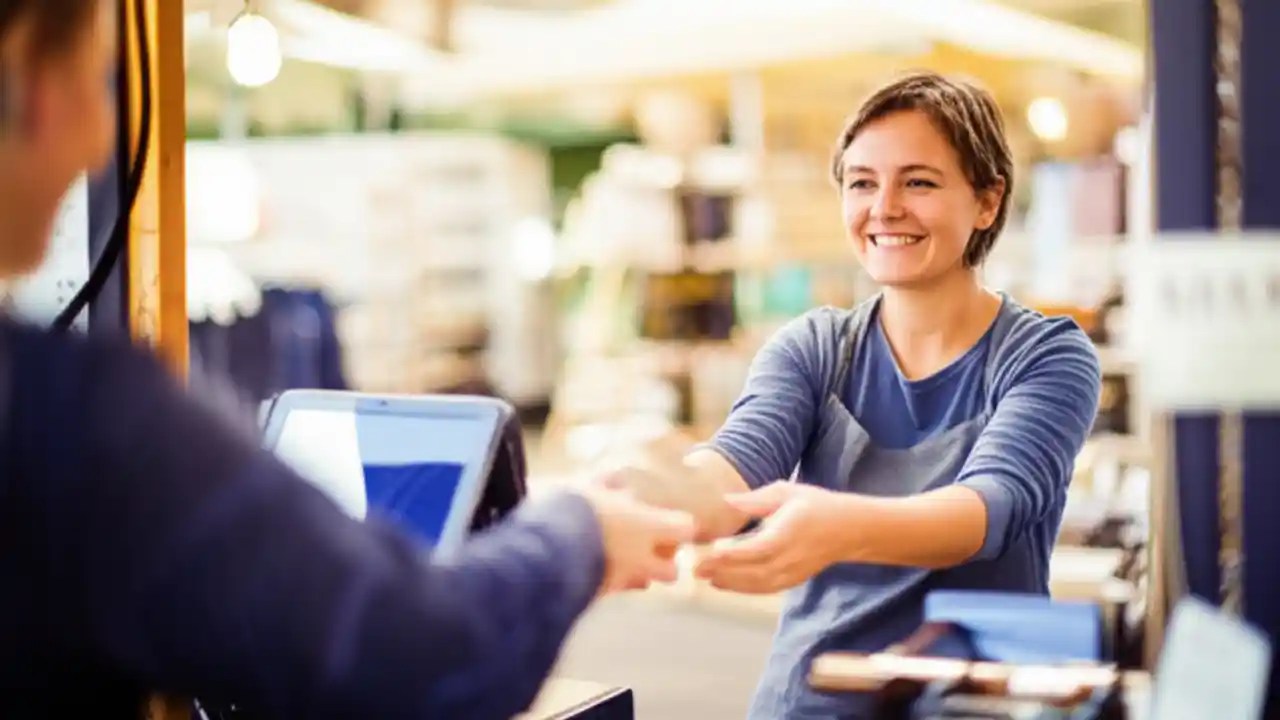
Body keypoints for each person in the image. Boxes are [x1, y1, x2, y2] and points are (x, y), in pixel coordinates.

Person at [0, 1, 695, 718]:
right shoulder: (76, 422)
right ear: (28, 78)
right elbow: (422, 654)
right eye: (93, 81)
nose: (97, 141)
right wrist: (580, 529)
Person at [609, 71, 1103, 718]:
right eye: (863, 182)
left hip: (970, 702)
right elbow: (732, 469)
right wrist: (649, 488)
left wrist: (838, 528)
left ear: (987, 201)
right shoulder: (812, 348)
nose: (885, 207)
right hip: (812, 702)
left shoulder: (1047, 356)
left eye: (919, 181)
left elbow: (986, 512)